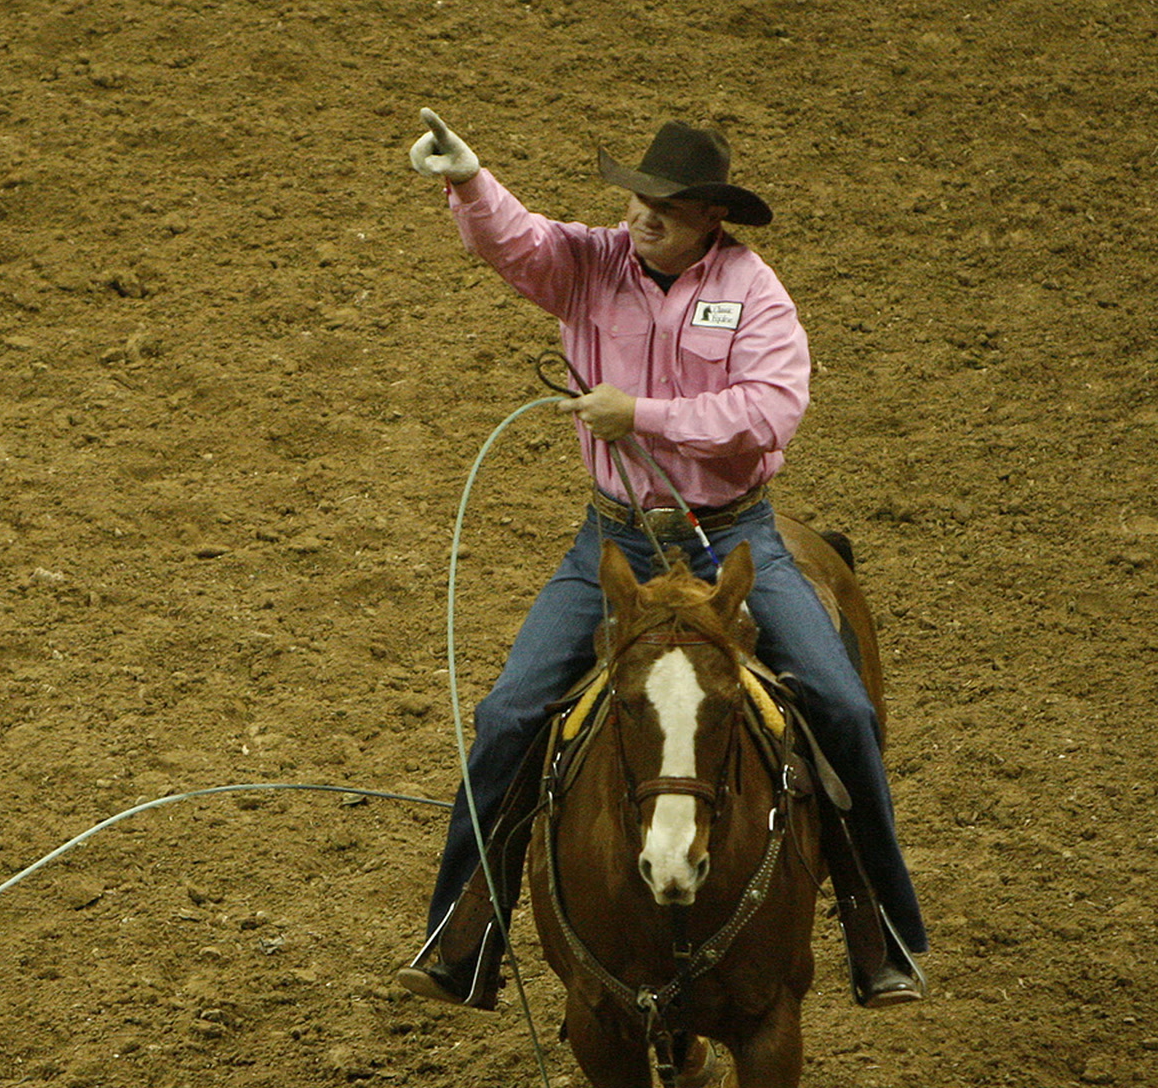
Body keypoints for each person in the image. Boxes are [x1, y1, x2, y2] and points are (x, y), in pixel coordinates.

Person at [395, 110, 927, 1011]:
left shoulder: (757, 295)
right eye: (640, 201)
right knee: (511, 710)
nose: (644, 220)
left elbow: (767, 414)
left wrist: (638, 414)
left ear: (712, 220)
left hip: (734, 534)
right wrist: (471, 181)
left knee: (839, 703)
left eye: (668, 210)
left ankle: (880, 924)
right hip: (617, 536)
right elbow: (518, 243)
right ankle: (464, 926)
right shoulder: (593, 263)